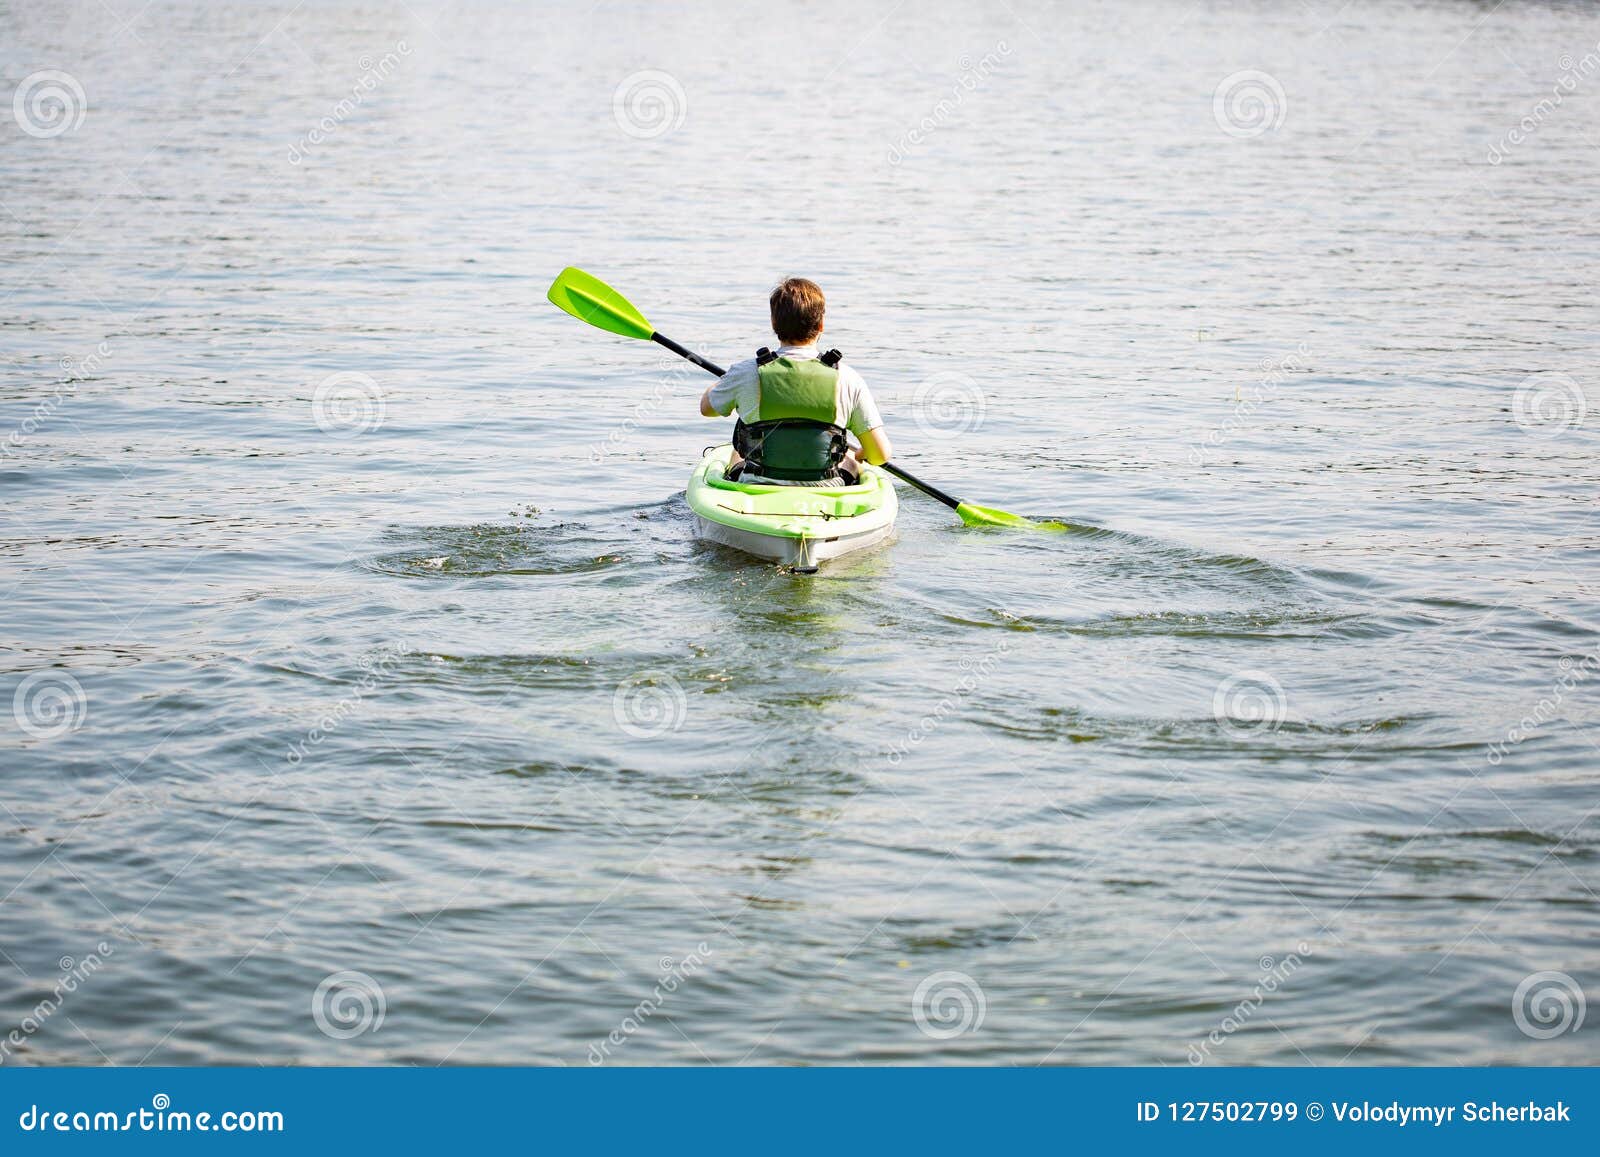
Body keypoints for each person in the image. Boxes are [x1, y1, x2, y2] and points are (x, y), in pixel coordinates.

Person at [699, 278, 892, 486]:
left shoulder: (745, 372)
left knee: (737, 452)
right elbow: (880, 455)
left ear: (774, 324)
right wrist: (862, 453)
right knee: (851, 461)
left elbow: (707, 409)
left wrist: (725, 381)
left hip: (757, 486)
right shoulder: (848, 378)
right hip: (826, 489)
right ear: (821, 325)